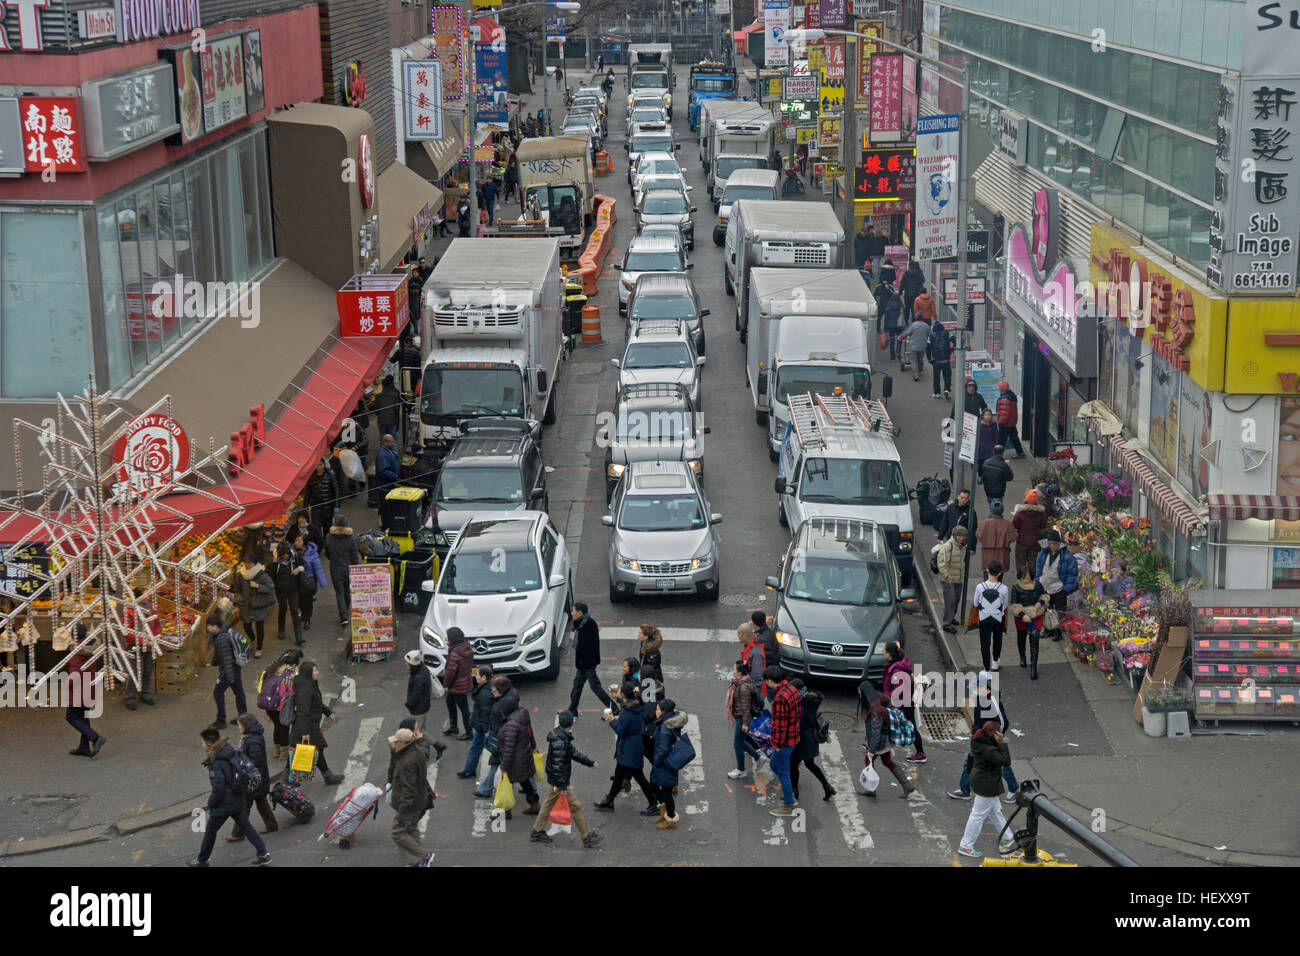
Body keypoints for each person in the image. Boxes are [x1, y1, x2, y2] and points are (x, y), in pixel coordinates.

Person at [189, 727, 271, 867]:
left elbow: (218, 788)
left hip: (223, 804)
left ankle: (202, 860)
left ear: (209, 744)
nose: (202, 745)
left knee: (210, 832)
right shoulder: (231, 752)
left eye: (202, 743)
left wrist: (211, 803)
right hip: (238, 798)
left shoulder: (215, 762)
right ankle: (263, 854)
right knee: (247, 827)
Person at [529, 711, 602, 846]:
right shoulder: (561, 741)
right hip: (559, 782)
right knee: (576, 807)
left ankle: (536, 830)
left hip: (555, 780)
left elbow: (573, 753)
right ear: (571, 724)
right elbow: (558, 766)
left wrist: (589, 762)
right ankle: (586, 837)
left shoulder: (560, 736)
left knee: (548, 804)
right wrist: (563, 786)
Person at [949, 671, 1018, 801]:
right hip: (981, 737)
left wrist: (994, 738)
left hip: (987, 739)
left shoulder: (990, 700)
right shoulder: (983, 698)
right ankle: (965, 789)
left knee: (995, 764)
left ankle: (1013, 788)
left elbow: (1003, 722)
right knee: (972, 761)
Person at [595, 681, 659, 813]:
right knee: (619, 774)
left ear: (624, 694)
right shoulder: (635, 706)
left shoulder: (627, 712)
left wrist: (611, 720)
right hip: (633, 745)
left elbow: (621, 731)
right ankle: (610, 800)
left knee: (639, 776)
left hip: (629, 747)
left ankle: (653, 803)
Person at [956, 721, 1017, 859]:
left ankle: (1008, 837)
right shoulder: (990, 750)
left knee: (995, 811)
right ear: (994, 734)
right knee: (977, 816)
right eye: (998, 732)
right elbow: (1005, 761)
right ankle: (966, 845)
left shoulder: (978, 741)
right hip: (987, 784)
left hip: (979, 780)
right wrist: (1002, 743)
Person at [290, 660, 345, 786]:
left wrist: (327, 712)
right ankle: (326, 776)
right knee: (309, 749)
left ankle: (326, 776)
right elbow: (303, 711)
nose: (318, 672)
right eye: (315, 670)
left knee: (313, 749)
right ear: (309, 673)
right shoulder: (305, 689)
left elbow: (316, 702)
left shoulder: (309, 684)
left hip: (309, 724)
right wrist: (305, 732)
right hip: (306, 725)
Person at [389, 728, 435, 867]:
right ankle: (417, 862)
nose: (394, 743)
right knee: (411, 830)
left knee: (397, 833)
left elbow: (409, 789)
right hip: (420, 800)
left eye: (396, 741)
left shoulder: (407, 762)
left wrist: (402, 810)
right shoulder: (417, 751)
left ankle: (423, 856)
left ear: (403, 743)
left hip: (410, 804)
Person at [228, 713, 277, 841]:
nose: (238, 728)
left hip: (253, 779)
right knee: (261, 802)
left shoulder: (252, 740)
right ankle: (271, 825)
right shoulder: (252, 737)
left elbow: (255, 760)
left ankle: (238, 833)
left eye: (239, 725)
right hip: (259, 778)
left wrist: (241, 764)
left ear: (245, 725)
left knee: (245, 806)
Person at [496, 685, 541, 815]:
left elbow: (509, 749)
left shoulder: (510, 726)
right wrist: (533, 746)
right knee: (525, 781)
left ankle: (505, 810)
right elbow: (530, 732)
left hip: (515, 761)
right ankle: (534, 804)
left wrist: (504, 765)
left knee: (505, 785)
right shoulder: (522, 716)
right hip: (524, 756)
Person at [764, 666, 801, 817]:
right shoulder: (792, 689)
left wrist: (777, 745)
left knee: (783, 772)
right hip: (793, 737)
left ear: (771, 681)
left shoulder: (780, 699)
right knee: (774, 765)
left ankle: (788, 804)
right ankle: (789, 795)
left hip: (784, 742)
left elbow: (780, 725)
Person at [789, 679, 835, 802]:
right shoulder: (810, 699)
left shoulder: (801, 705)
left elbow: (797, 727)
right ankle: (827, 786)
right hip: (811, 739)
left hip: (802, 742)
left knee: (793, 765)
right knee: (810, 764)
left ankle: (794, 791)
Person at [474, 674, 519, 797]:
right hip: (511, 738)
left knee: (498, 763)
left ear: (501, 690)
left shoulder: (499, 708)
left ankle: (485, 790)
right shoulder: (512, 695)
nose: (492, 692)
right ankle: (485, 789)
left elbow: (497, 727)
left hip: (502, 740)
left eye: (494, 690)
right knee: (517, 763)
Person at [863, 697, 916, 798]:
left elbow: (876, 732)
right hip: (887, 739)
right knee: (887, 761)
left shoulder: (875, 710)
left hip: (881, 742)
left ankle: (871, 789)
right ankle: (907, 785)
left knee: (868, 760)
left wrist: (872, 750)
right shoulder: (879, 699)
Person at [568, 601, 613, 719]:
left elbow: (588, 646)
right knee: (577, 685)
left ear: (579, 612)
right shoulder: (582, 623)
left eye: (573, 611)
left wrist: (584, 662)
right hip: (583, 663)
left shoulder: (587, 624)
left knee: (594, 687)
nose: (571, 613)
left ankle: (614, 709)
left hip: (587, 663)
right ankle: (572, 709)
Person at [649, 698, 688, 830]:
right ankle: (665, 810)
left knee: (666, 791)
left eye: (658, 710)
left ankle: (670, 819)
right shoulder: (671, 721)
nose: (656, 711)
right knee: (654, 785)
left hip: (665, 764)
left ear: (664, 712)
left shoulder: (665, 728)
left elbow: (663, 749)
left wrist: (657, 761)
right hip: (667, 762)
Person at [884, 641, 925, 763]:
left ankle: (921, 753)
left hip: (903, 703)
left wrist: (887, 696)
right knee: (890, 722)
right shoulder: (898, 665)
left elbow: (900, 691)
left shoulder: (897, 670)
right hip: (904, 702)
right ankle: (876, 746)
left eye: (884, 651)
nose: (883, 652)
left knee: (909, 726)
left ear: (889, 654)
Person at [66, 632, 105, 758]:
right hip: (89, 687)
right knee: (83, 717)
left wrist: (68, 685)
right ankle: (84, 748)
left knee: (71, 717)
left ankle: (95, 738)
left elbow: (74, 674)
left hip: (78, 690)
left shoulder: (76, 653)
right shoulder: (90, 648)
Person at [1035, 530, 1079, 639]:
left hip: (1059, 589)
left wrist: (1066, 589)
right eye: (1050, 543)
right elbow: (1039, 567)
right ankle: (1048, 629)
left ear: (1059, 543)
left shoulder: (1066, 556)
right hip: (1045, 587)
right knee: (1046, 610)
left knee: (1059, 611)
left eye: (1054, 543)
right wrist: (1038, 580)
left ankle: (1058, 632)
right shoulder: (1043, 553)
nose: (1052, 546)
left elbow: (1073, 573)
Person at [725, 660, 764, 779]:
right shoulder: (740, 682)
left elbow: (745, 707)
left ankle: (741, 770)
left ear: (740, 672)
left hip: (743, 718)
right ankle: (758, 758)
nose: (733, 671)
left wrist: (745, 723)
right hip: (740, 717)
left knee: (737, 744)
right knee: (741, 742)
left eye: (734, 669)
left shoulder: (743, 687)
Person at [208, 614, 247, 730]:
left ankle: (221, 719)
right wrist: (214, 662)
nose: (208, 629)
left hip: (229, 670)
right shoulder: (225, 631)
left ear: (215, 626)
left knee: (217, 692)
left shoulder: (221, 639)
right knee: (239, 692)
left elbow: (226, 658)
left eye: (209, 626)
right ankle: (243, 717)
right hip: (235, 667)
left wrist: (229, 677)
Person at [262, 647, 301, 759]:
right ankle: (283, 753)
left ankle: (276, 750)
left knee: (276, 726)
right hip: (281, 706)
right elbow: (290, 690)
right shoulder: (288, 673)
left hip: (269, 704)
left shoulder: (271, 668)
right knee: (284, 727)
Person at [232, 552, 275, 657]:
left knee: (259, 627)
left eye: (249, 563)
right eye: (246, 562)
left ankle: (259, 648)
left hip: (258, 605)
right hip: (245, 605)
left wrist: (258, 586)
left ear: (255, 563)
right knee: (246, 626)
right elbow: (236, 589)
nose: (247, 565)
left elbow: (270, 586)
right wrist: (238, 599)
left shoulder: (261, 574)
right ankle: (253, 640)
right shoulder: (240, 574)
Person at [457, 663, 495, 779]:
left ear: (484, 677)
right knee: (476, 747)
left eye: (477, 675)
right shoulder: (487, 689)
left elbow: (485, 712)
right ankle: (469, 770)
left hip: (483, 726)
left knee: (478, 748)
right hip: (483, 725)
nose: (476, 677)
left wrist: (483, 728)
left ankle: (469, 770)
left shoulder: (484, 693)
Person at [1010, 566, 1047, 678]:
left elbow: (1045, 595)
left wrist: (1041, 602)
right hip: (1022, 618)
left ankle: (1033, 668)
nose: (1026, 580)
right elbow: (1014, 605)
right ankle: (1022, 657)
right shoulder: (1016, 588)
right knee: (1021, 639)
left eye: (1028, 578)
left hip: (1036, 616)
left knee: (1034, 643)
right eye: (1023, 578)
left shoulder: (1038, 585)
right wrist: (1022, 615)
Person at [324, 514, 360, 626]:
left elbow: (327, 553)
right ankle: (346, 610)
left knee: (339, 593)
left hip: (335, 569)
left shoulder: (329, 537)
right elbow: (354, 556)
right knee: (347, 591)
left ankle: (343, 616)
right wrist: (355, 567)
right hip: (348, 569)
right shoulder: (351, 539)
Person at [973, 561, 1010, 672]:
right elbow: (1005, 605)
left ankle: (986, 667)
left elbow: (975, 604)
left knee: (985, 643)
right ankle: (995, 661)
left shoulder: (980, 587)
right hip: (998, 618)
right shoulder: (1004, 588)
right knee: (998, 639)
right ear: (999, 573)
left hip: (984, 618)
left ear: (987, 571)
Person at [269, 535, 305, 647]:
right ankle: (281, 630)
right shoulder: (274, 564)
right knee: (283, 609)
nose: (285, 556)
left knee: (294, 610)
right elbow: (269, 576)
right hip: (280, 591)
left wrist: (299, 569)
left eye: (287, 554)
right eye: (283, 554)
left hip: (293, 589)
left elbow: (304, 565)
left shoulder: (295, 557)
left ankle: (299, 637)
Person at [442, 626, 473, 738]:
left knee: (464, 710)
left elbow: (451, 672)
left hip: (457, 686)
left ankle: (469, 732)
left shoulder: (455, 653)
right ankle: (453, 726)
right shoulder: (466, 647)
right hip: (465, 682)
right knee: (450, 703)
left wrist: (445, 684)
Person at [937, 525, 968, 633]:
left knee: (956, 600)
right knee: (950, 601)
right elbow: (942, 563)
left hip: (958, 578)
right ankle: (947, 623)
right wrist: (947, 575)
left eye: (963, 536)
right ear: (955, 535)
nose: (961, 538)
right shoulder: (948, 546)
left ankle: (951, 618)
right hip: (948, 580)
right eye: (959, 536)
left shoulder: (962, 546)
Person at [294, 531, 327, 632]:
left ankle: (307, 618)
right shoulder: (292, 553)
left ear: (304, 543)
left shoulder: (312, 554)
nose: (296, 542)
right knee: (298, 601)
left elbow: (318, 568)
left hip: (309, 580)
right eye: (296, 540)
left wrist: (322, 582)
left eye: (299, 541)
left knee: (307, 602)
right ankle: (303, 614)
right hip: (296, 580)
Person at [1012, 490, 1047, 578]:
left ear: (1026, 500)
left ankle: (1021, 580)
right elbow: (1043, 526)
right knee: (1033, 563)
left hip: (1022, 541)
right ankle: (1031, 580)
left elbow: (1015, 524)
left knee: (1020, 562)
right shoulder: (1041, 513)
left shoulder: (1020, 513)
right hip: (1035, 542)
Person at [976, 500, 1016, 577]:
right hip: (1002, 556)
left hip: (987, 556)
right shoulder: (1008, 524)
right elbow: (1013, 538)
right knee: (999, 581)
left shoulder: (985, 523)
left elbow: (978, 535)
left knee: (987, 580)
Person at [305, 461, 339, 539]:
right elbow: (307, 493)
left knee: (327, 527)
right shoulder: (311, 476)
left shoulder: (330, 474)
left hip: (328, 507)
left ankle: (327, 544)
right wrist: (305, 507)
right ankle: (319, 545)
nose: (319, 467)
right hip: (315, 508)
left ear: (324, 464)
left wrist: (336, 504)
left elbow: (336, 490)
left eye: (320, 465)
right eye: (317, 465)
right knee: (316, 528)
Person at [404, 649, 433, 731]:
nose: (406, 664)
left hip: (418, 709)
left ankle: (425, 743)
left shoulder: (419, 677)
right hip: (423, 706)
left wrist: (408, 703)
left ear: (413, 665)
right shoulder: (422, 669)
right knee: (421, 729)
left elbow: (416, 694)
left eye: (407, 663)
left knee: (417, 732)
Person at [995, 382, 1026, 457]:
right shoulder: (1011, 396)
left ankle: (997, 456)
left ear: (1002, 388)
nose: (998, 388)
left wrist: (1000, 422)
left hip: (1005, 424)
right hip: (1011, 423)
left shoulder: (1004, 398)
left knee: (1001, 440)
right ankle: (1020, 453)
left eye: (999, 387)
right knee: (1015, 439)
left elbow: (1004, 413)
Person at [980, 444, 1015, 510]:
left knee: (992, 509)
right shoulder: (1003, 465)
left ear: (993, 452)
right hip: (998, 493)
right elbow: (1009, 478)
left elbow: (982, 475)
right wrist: (1009, 468)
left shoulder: (986, 462)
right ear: (1003, 453)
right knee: (995, 512)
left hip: (988, 491)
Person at [927, 320, 954, 399]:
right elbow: (955, 339)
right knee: (947, 376)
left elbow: (927, 348)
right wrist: (952, 349)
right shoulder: (947, 333)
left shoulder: (931, 336)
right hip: (946, 359)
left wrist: (929, 358)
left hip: (936, 360)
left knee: (936, 377)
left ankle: (937, 393)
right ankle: (947, 389)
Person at [374, 375, 404, 446]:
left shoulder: (378, 396)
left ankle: (383, 454)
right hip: (392, 420)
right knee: (393, 439)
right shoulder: (395, 393)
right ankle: (394, 455)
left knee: (382, 439)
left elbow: (376, 409)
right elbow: (397, 408)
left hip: (382, 421)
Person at [903, 314, 931, 381]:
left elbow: (906, 333)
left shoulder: (913, 325)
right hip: (922, 346)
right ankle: (920, 370)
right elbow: (930, 335)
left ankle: (916, 374)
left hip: (913, 346)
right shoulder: (926, 326)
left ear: (916, 318)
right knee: (920, 359)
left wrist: (900, 337)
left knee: (914, 360)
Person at [975, 409, 999, 481]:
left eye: (989, 414)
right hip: (981, 449)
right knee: (981, 465)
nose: (988, 416)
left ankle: (989, 477)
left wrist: (995, 445)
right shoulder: (979, 425)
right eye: (986, 415)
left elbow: (997, 436)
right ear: (983, 416)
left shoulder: (994, 424)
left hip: (991, 448)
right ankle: (980, 477)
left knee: (990, 465)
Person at [900, 260, 926, 324]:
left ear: (909, 266)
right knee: (914, 309)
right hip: (916, 294)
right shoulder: (919, 273)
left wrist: (899, 293)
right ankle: (913, 322)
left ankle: (906, 321)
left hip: (907, 294)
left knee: (907, 308)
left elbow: (902, 284)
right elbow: (923, 281)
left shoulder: (906, 274)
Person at [375, 433, 400, 498]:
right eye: (391, 442)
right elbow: (383, 471)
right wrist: (396, 476)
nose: (393, 444)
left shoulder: (389, 451)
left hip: (389, 484)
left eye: (393, 442)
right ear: (385, 443)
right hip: (386, 486)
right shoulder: (383, 455)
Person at [882, 292, 903, 362]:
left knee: (892, 341)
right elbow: (904, 317)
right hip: (899, 326)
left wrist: (885, 329)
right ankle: (898, 351)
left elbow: (886, 319)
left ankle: (892, 357)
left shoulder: (888, 307)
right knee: (899, 339)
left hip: (891, 326)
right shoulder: (901, 306)